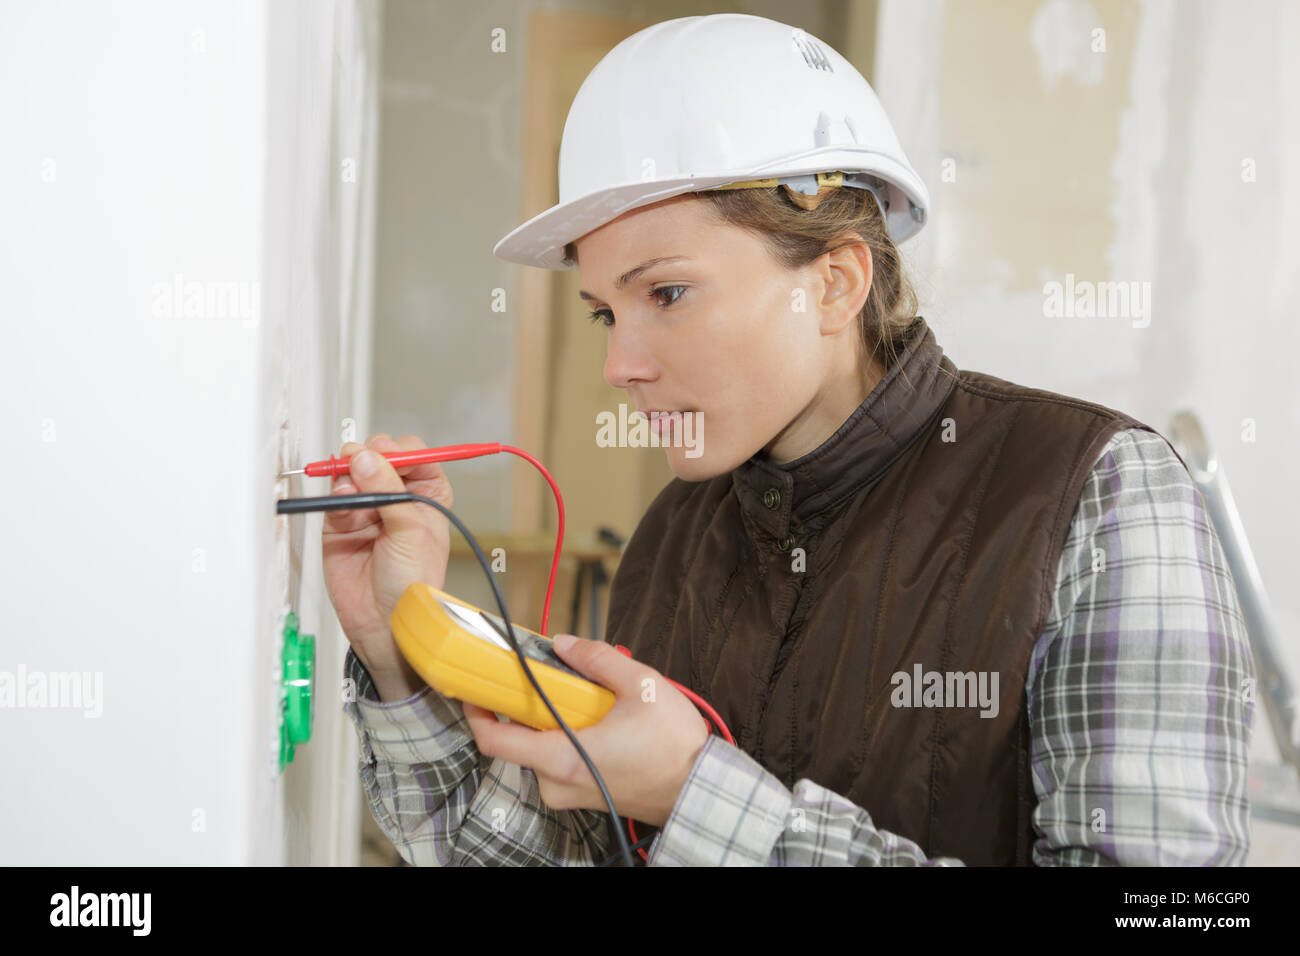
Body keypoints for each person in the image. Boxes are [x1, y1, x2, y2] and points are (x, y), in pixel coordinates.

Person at [324, 13, 1254, 865]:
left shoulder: (1099, 498)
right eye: (608, 313)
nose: (622, 366)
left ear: (838, 283)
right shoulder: (673, 540)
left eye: (668, 294)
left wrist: (699, 798)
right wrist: (397, 649)